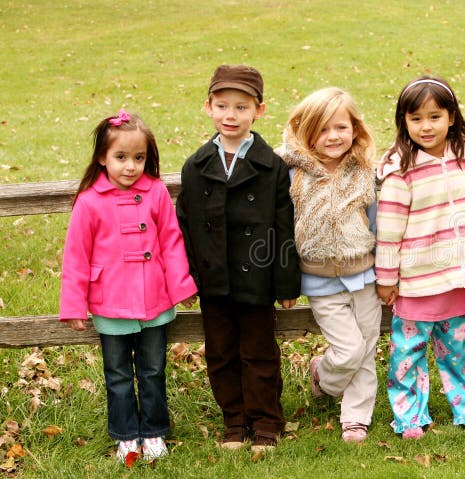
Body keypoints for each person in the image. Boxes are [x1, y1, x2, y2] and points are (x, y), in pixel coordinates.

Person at [59, 110, 197, 463]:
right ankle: (125, 436)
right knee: (118, 375)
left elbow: (171, 241)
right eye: (121, 157)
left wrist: (182, 287)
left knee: (153, 371)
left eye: (139, 158)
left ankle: (154, 432)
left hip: (155, 300)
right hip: (110, 302)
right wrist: (74, 305)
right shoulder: (89, 201)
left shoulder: (156, 192)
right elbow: (76, 256)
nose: (130, 167)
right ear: (103, 158)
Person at [176, 65, 301, 451]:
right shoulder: (197, 167)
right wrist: (188, 281)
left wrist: (285, 284)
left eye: (241, 107)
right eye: (222, 106)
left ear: (258, 111)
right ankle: (234, 420)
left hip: (257, 279)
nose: (231, 116)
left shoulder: (272, 166)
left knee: (260, 353)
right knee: (221, 353)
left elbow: (284, 227)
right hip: (215, 281)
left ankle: (266, 421)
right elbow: (186, 227)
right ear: (209, 107)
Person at [376, 76, 465, 440]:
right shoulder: (400, 169)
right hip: (416, 280)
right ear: (404, 122)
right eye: (415, 118)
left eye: (434, 116)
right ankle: (409, 415)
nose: (426, 126)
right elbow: (388, 230)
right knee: (408, 353)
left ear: (451, 116)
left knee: (459, 349)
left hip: (458, 274)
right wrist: (386, 278)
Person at [275, 87, 382, 443]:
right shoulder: (293, 174)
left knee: (365, 349)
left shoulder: (364, 171)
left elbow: (376, 221)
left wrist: (386, 272)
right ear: (305, 132)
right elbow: (282, 228)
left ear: (354, 128)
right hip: (320, 281)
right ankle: (322, 374)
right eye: (321, 130)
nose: (332, 137)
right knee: (349, 349)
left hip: (364, 275)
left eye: (340, 127)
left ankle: (355, 418)